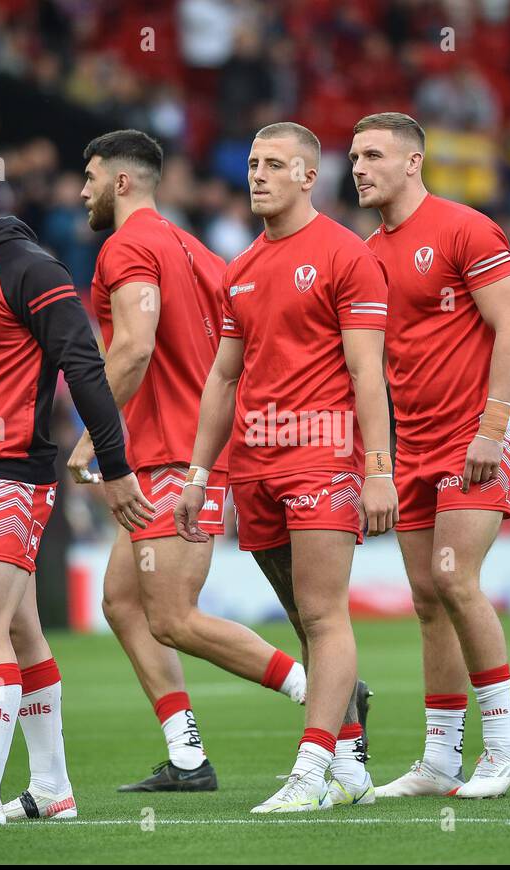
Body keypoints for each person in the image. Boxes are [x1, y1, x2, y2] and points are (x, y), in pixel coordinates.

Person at [0, 136, 153, 826]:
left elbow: (85, 367)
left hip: (10, 471)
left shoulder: (29, 269)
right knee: (19, 632)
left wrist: (114, 463)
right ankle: (51, 787)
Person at [70, 129, 312, 792]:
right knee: (122, 602)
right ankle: (186, 755)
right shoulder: (199, 251)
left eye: (89, 176)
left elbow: (135, 349)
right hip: (180, 450)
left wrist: (93, 436)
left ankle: (324, 694)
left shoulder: (126, 247)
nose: (81, 190)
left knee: (173, 615)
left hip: (175, 455)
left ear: (121, 183)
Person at [175, 122, 397, 812]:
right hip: (254, 464)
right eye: (252, 163)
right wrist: (198, 473)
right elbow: (221, 378)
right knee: (303, 615)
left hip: (323, 458)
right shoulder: (238, 270)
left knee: (326, 614)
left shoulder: (345, 255)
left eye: (276, 164)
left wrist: (380, 468)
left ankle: (310, 771)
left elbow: (367, 370)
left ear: (308, 176)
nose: (259, 175)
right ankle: (352, 763)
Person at [351, 112, 510, 798]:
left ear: (412, 162)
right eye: (353, 156)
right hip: (415, 444)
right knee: (428, 599)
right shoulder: (368, 253)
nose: (359, 167)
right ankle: (439, 759)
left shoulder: (465, 228)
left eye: (372, 155)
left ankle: (505, 751)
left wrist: (492, 426)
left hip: (472, 437)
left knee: (456, 582)